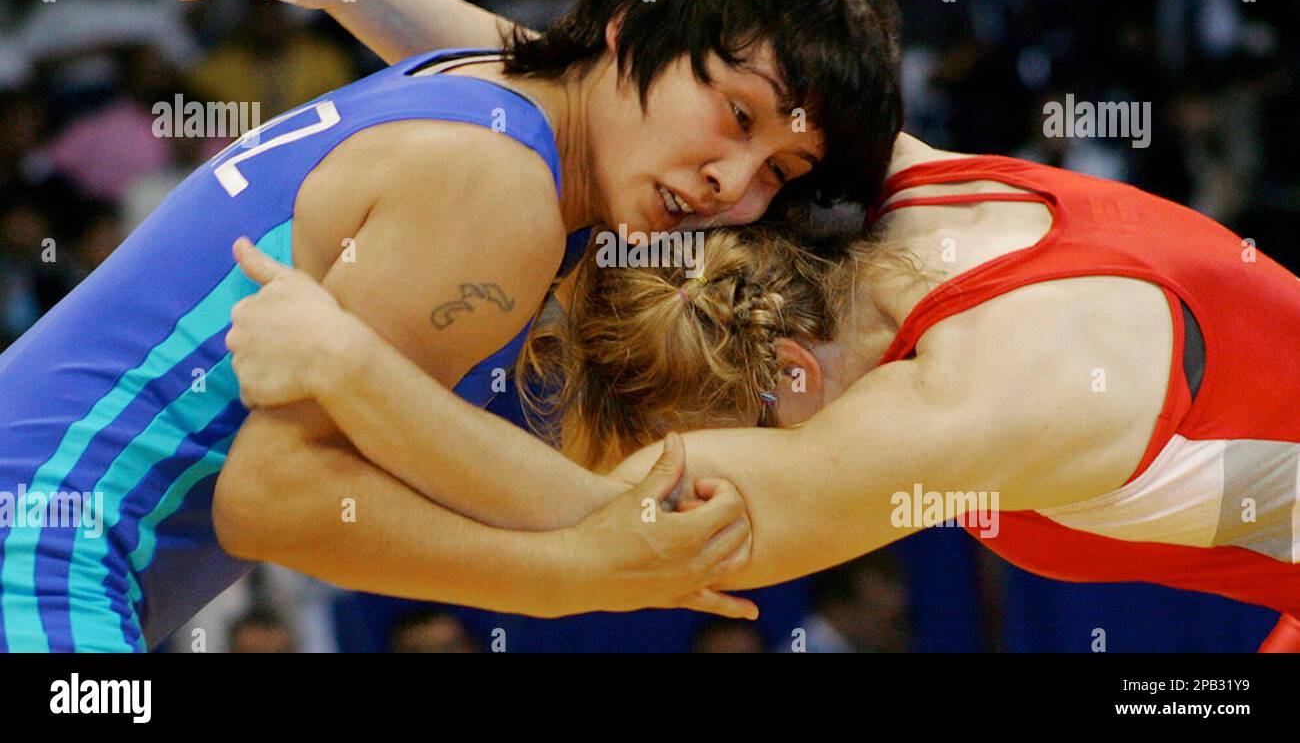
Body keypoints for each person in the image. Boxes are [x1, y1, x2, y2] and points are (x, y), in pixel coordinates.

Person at [0, 0, 903, 651]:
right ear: (634, 35)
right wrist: (575, 574)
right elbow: (274, 497)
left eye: (780, 174)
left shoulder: (495, 87)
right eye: (739, 117)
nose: (731, 187)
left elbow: (565, 47)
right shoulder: (498, 188)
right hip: (44, 553)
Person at [225, 125, 1300, 653]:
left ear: (787, 373)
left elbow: (618, 528)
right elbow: (591, 108)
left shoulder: (980, 398)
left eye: (734, 446)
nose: (747, 475)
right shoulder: (879, 191)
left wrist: (348, 364)